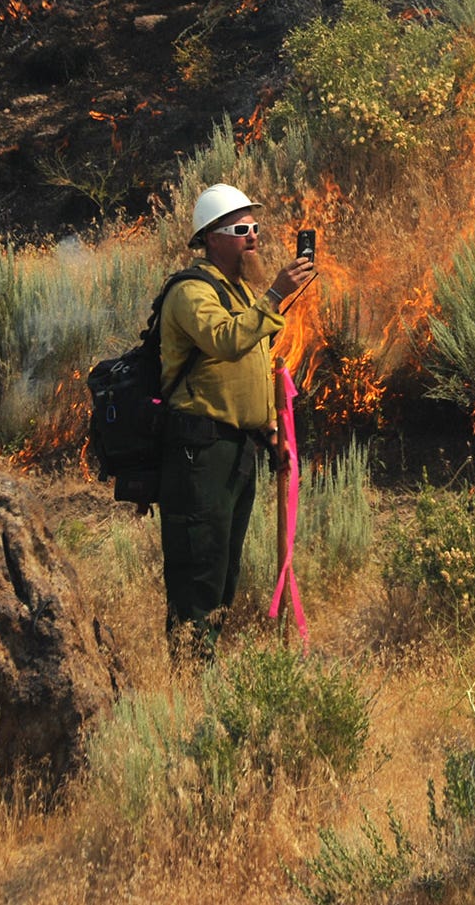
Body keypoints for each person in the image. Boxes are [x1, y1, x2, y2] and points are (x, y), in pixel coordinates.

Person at [157, 183, 314, 654]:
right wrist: (275, 295)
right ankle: (188, 671)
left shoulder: (241, 292)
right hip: (198, 451)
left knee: (226, 566)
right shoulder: (190, 292)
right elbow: (226, 340)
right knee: (199, 567)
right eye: (242, 230)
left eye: (255, 228)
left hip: (238, 449)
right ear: (211, 238)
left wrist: (270, 433)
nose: (253, 240)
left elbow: (251, 367)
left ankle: (204, 669)